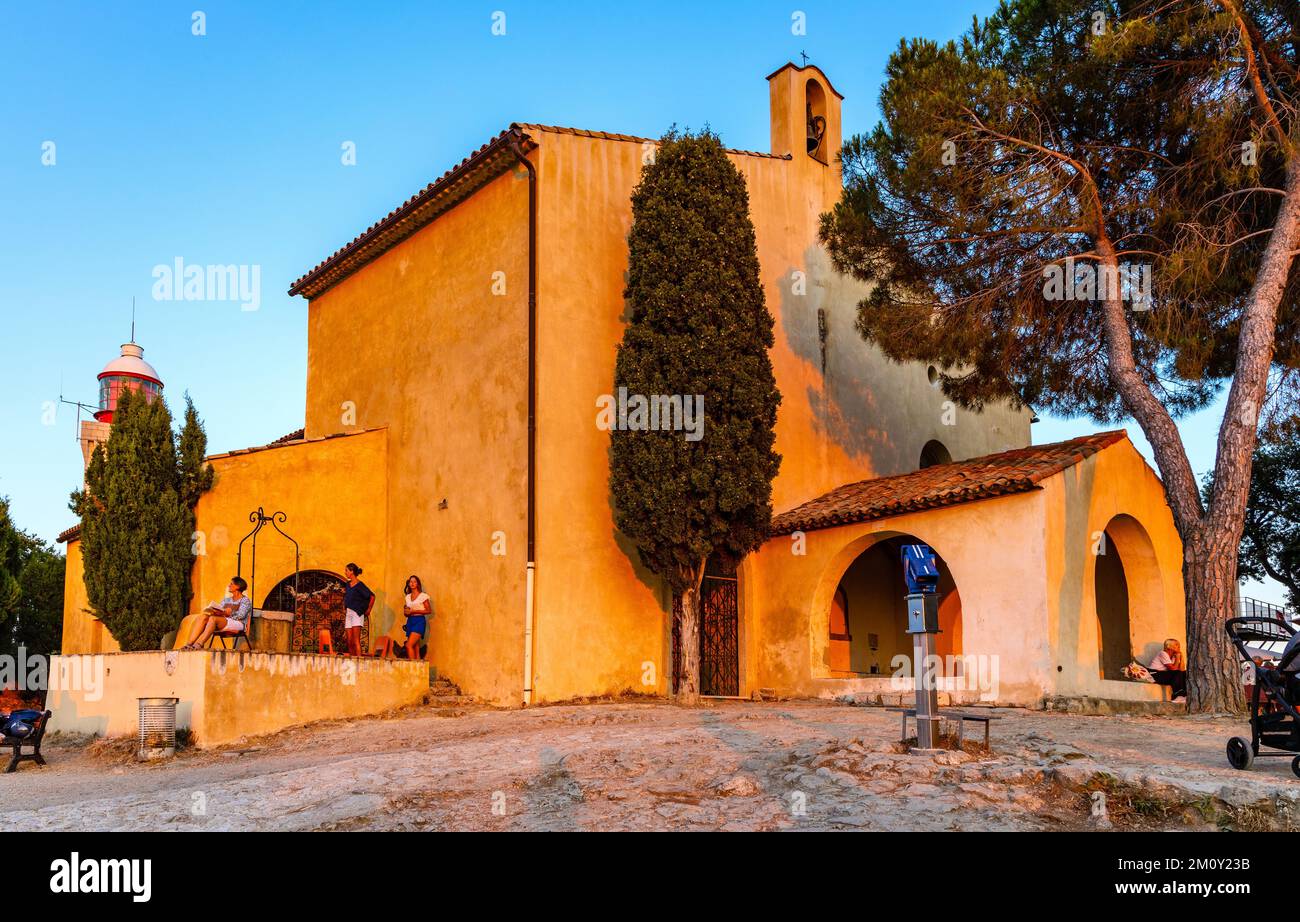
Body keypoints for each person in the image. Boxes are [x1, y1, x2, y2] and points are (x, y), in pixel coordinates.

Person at [183, 577, 252, 650]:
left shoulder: (245, 600)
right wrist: (216, 612)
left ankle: (199, 644)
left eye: (231, 584)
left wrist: (230, 612)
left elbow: (241, 615)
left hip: (238, 623)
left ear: (238, 586)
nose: (229, 585)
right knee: (203, 617)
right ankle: (189, 644)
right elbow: (221, 609)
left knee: (213, 619)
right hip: (224, 620)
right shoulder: (226, 600)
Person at [374, 575, 431, 660]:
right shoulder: (407, 597)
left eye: (414, 582)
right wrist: (407, 612)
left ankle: (413, 667)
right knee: (416, 646)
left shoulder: (423, 596)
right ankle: (419, 668)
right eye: (410, 582)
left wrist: (414, 611)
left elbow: (428, 610)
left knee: (409, 645)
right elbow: (407, 612)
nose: (412, 583)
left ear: (418, 584)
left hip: (419, 620)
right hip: (410, 621)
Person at [343, 563, 375, 657]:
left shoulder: (360, 585)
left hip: (357, 613)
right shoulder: (348, 584)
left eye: (347, 570)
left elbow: (372, 596)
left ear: (352, 572)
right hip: (349, 613)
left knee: (356, 640)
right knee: (349, 640)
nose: (345, 572)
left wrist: (368, 609)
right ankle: (352, 659)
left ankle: (359, 661)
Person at [1148, 638, 1187, 702]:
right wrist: (1177, 658)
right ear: (1169, 646)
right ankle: (1177, 696)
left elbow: (1182, 670)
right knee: (1176, 673)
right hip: (1154, 674)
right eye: (1176, 645)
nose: (1179, 646)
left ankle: (1184, 695)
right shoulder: (1163, 653)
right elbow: (1173, 669)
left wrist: (1181, 657)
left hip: (1163, 674)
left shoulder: (1174, 656)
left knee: (1185, 673)